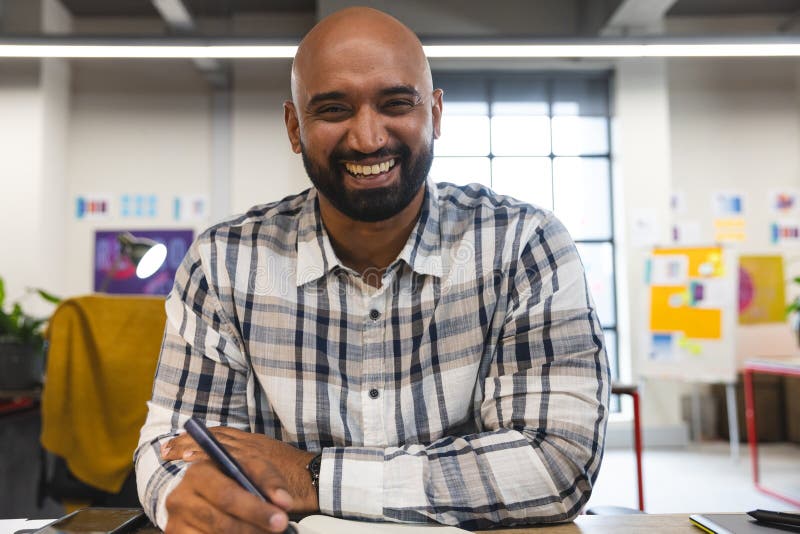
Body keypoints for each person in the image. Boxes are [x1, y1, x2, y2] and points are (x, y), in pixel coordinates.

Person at [135, 6, 609, 533]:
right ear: (294, 127)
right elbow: (171, 447)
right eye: (334, 109)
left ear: (435, 113)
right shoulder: (224, 262)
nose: (367, 138)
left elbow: (555, 462)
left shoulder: (524, 246)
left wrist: (311, 476)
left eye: (395, 104)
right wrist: (184, 494)